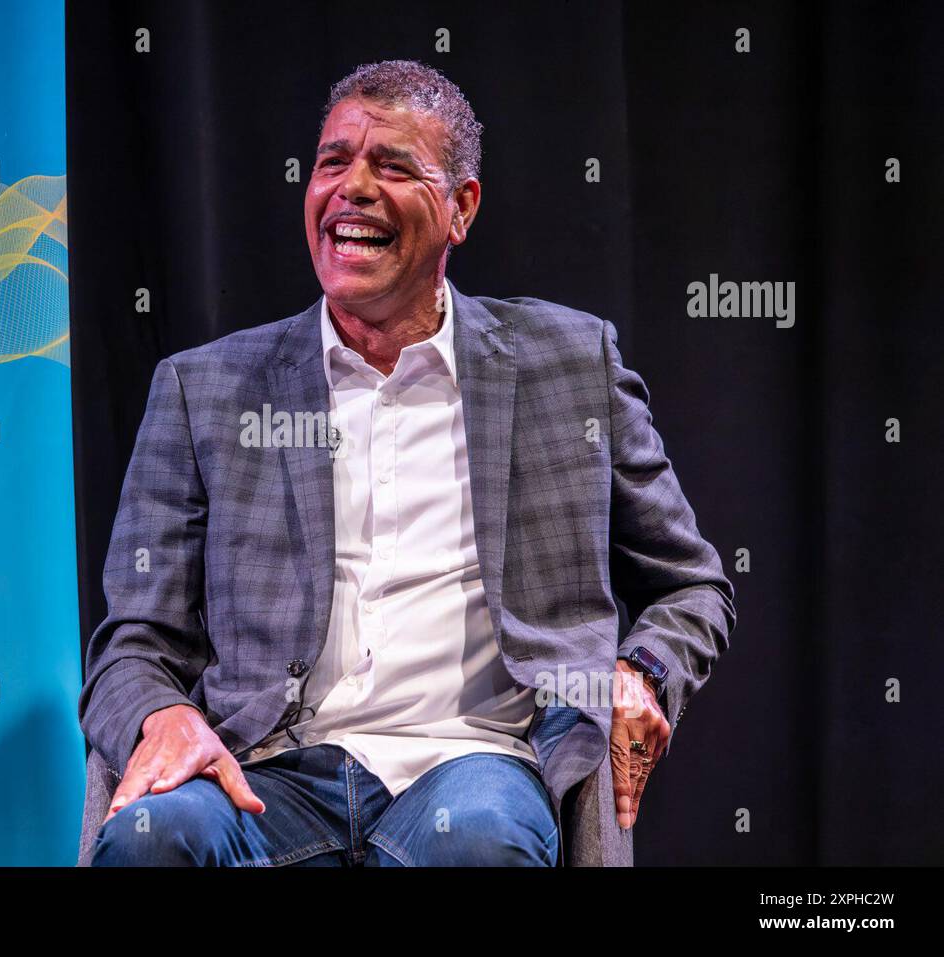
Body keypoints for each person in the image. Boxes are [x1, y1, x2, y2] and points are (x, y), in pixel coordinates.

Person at [78, 59, 736, 866]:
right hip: (267, 767)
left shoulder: (569, 364)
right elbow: (132, 639)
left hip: (474, 762)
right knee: (157, 836)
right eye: (332, 162)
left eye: (392, 166)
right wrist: (157, 715)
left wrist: (640, 671)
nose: (352, 187)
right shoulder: (205, 389)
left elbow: (691, 584)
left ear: (460, 209)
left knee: (482, 842)